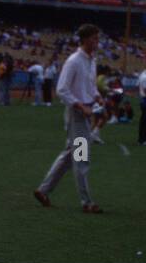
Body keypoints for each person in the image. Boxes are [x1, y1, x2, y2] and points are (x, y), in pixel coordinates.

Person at [33, 23, 103, 214]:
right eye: (95, 38)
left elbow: (89, 85)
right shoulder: (74, 61)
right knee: (81, 158)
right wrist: (80, 105)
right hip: (78, 114)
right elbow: (62, 89)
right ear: (86, 39)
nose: (98, 42)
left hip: (86, 112)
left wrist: (96, 95)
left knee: (70, 155)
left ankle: (43, 189)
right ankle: (86, 201)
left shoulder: (91, 61)